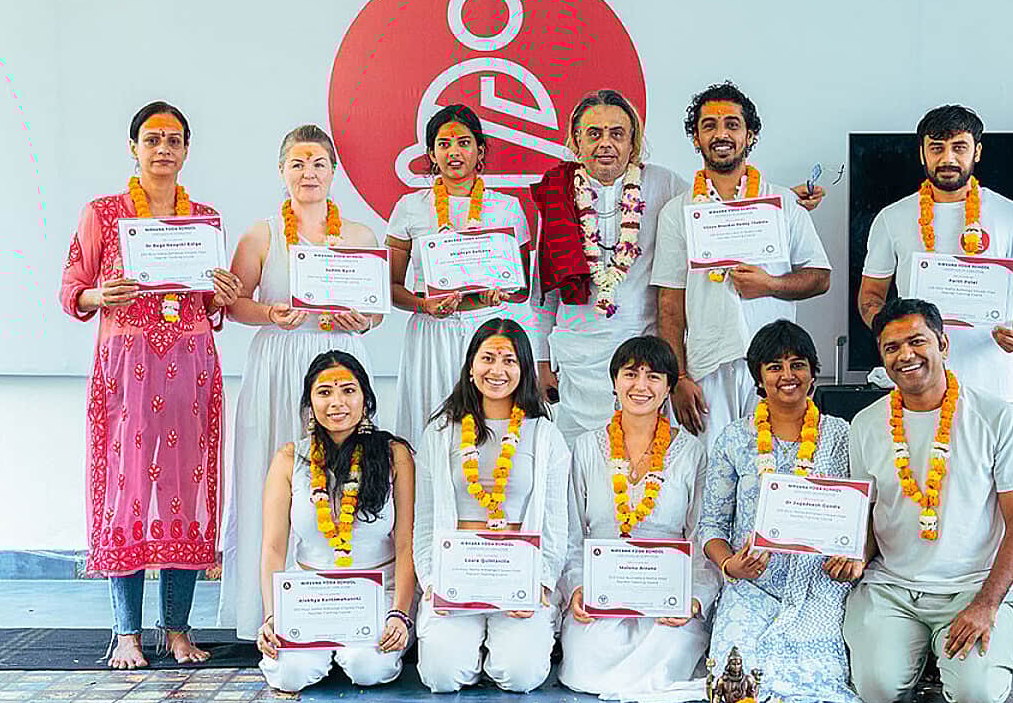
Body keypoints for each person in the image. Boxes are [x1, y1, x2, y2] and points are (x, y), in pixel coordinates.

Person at [59, 101, 241, 668]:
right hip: (126, 375)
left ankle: (179, 631)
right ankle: (127, 635)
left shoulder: (205, 219)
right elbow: (71, 287)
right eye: (152, 139)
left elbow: (209, 302)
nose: (163, 149)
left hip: (189, 369)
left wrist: (224, 292)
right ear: (134, 148)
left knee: (186, 492)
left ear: (187, 151)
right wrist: (98, 296)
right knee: (126, 492)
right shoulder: (103, 213)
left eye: (174, 140)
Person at [220, 124, 383, 640]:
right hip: (279, 363)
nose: (308, 173)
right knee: (274, 471)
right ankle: (266, 612)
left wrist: (364, 321)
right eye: (298, 163)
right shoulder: (262, 233)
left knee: (343, 475)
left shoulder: (358, 236)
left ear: (333, 172)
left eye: (318, 164)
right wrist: (269, 311)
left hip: (339, 363)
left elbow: (375, 311)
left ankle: (339, 601)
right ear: (282, 170)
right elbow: (234, 302)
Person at [843, 298, 1013, 703]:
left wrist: (986, 606)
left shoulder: (997, 416)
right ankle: (926, 652)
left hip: (973, 587)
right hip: (894, 589)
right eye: (891, 348)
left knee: (976, 698)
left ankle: (966, 656)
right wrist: (853, 557)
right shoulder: (864, 425)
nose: (905, 355)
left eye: (917, 341)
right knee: (876, 689)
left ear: (943, 344)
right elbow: (867, 517)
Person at [652, 82, 832, 450]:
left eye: (732, 125)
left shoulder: (783, 202)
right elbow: (669, 305)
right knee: (708, 481)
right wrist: (679, 378)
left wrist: (771, 285)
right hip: (707, 370)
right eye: (709, 125)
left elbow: (820, 278)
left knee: (774, 471)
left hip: (775, 369)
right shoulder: (677, 212)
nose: (721, 134)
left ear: (750, 135)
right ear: (696, 138)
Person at [698, 320, 866, 703]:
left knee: (814, 680)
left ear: (812, 372)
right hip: (751, 586)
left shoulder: (842, 435)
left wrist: (855, 556)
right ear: (758, 375)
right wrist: (730, 565)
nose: (787, 376)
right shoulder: (736, 439)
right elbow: (711, 525)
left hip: (820, 586)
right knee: (733, 684)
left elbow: (865, 514)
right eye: (774, 366)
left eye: (798, 364)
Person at [558, 336, 719, 703]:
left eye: (654, 377)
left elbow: (702, 535)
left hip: (668, 599)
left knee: (671, 650)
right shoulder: (585, 447)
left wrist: (693, 600)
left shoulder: (691, 453)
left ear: (668, 389)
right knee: (587, 659)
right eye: (631, 374)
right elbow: (570, 535)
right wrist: (578, 590)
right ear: (614, 382)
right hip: (602, 595)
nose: (641, 386)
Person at [412, 319, 570, 693]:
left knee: (521, 676)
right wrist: (433, 584)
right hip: (455, 574)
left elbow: (555, 521)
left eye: (509, 360)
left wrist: (541, 584)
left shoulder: (545, 434)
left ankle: (495, 648)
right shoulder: (441, 432)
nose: (497, 370)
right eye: (488, 358)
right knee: (441, 676)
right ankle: (469, 649)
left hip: (519, 575)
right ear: (470, 367)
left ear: (524, 370)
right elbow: (424, 519)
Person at [857, 105, 1013, 407]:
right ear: (922, 154)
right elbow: (870, 295)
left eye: (959, 147)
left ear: (978, 152)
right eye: (936, 148)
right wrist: (893, 333)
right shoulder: (891, 218)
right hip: (917, 385)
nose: (948, 158)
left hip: (994, 385)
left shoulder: (1011, 215)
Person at [530, 90, 687, 445]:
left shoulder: (667, 185)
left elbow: (714, 213)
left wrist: (784, 203)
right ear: (576, 141)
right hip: (575, 359)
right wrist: (540, 361)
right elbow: (542, 295)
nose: (605, 143)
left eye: (617, 133)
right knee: (575, 466)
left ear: (633, 142)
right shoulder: (556, 192)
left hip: (643, 358)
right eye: (594, 133)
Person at [255, 351, 416, 691]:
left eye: (348, 390)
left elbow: (406, 542)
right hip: (309, 595)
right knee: (289, 675)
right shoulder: (290, 458)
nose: (337, 402)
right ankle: (322, 652)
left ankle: (347, 652)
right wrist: (272, 615)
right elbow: (272, 547)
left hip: (377, 593)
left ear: (366, 398)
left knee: (367, 668)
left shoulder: (394, 454)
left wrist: (400, 614)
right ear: (310, 403)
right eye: (324, 392)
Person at [386, 105, 537, 444]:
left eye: (464, 143)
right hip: (432, 335)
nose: (454, 152)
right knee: (432, 431)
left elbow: (522, 288)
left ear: (480, 151)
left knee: (488, 431)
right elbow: (390, 287)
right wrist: (425, 305)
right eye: (444, 144)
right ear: (431, 154)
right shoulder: (410, 207)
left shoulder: (507, 207)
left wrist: (496, 296)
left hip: (487, 334)